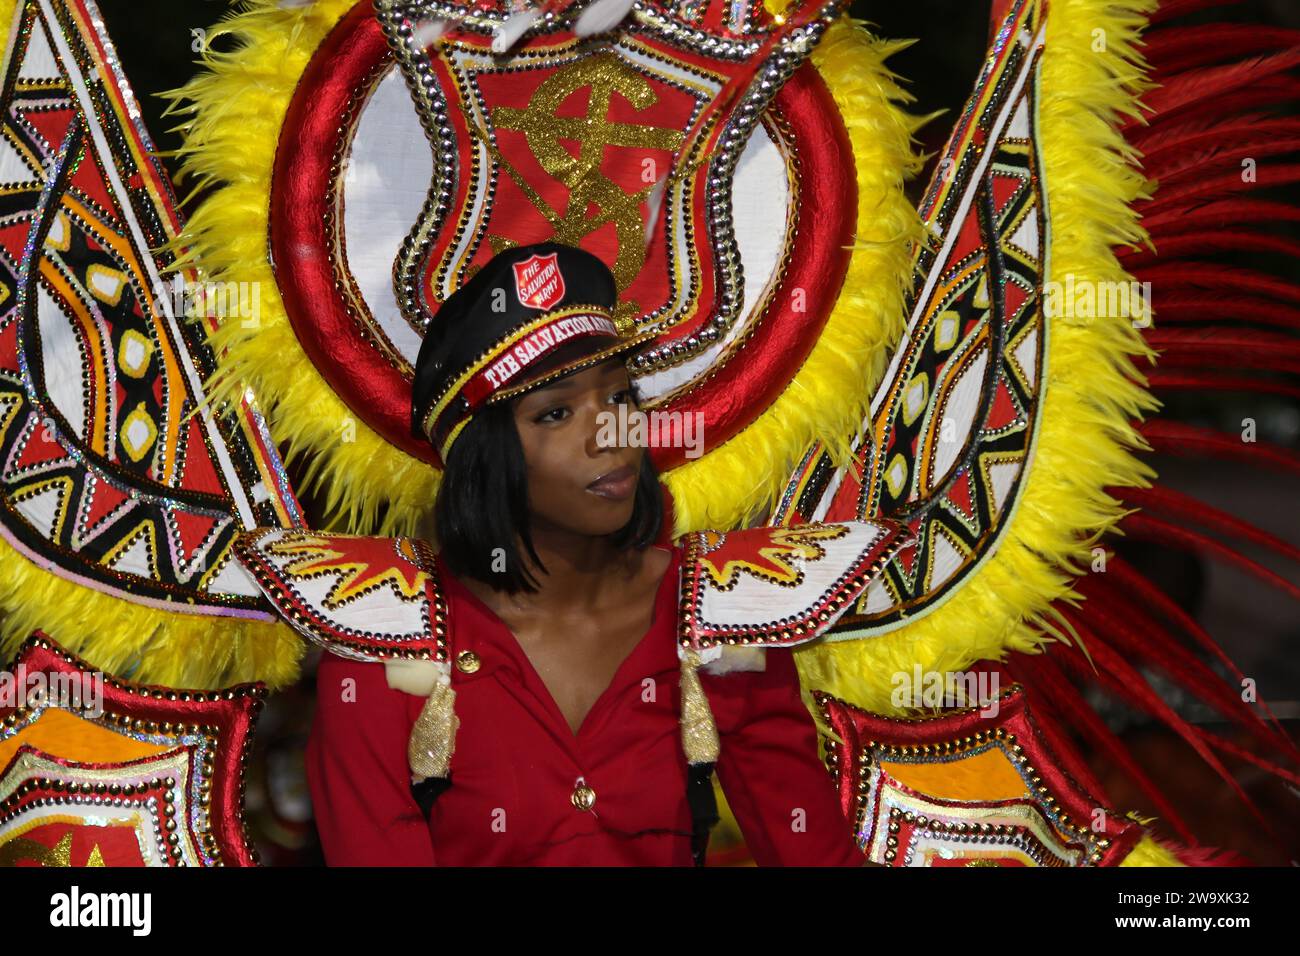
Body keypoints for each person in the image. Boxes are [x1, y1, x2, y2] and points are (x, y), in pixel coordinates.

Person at [234, 241, 905, 866]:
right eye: (555, 414)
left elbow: (812, 851)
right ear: (483, 458)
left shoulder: (720, 613)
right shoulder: (386, 638)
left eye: (617, 397)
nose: (609, 433)